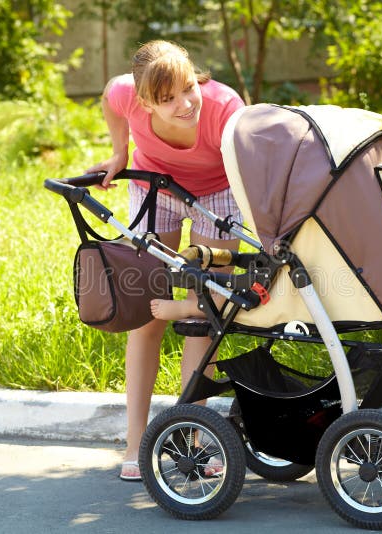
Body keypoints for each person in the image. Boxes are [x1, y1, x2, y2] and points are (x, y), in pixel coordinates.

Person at [84, 40, 244, 481]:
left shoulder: (225, 106)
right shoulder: (124, 93)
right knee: (146, 316)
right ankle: (136, 441)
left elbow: (253, 164)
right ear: (145, 102)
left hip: (219, 195)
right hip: (156, 190)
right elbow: (110, 102)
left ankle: (193, 438)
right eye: (167, 99)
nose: (184, 103)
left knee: (202, 312)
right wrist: (120, 151)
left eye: (188, 88)